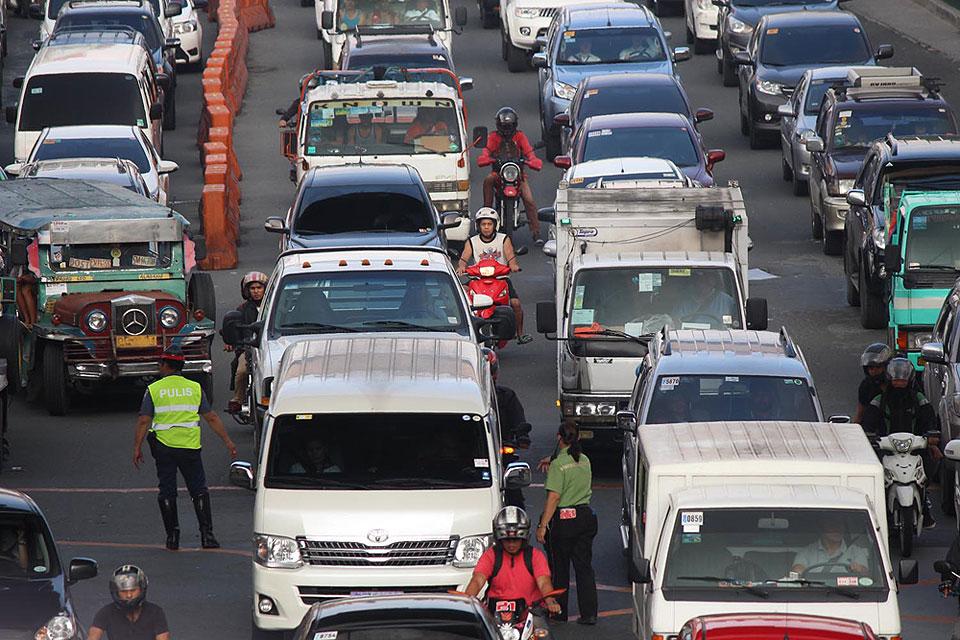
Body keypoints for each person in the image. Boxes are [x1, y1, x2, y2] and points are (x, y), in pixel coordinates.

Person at [132, 347, 238, 550]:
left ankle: (173, 537)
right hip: (190, 446)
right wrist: (227, 441)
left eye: (161, 363)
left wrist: (137, 447)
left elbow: (144, 420)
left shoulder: (154, 389)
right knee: (198, 490)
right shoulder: (195, 388)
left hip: (164, 447)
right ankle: (207, 536)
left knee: (167, 490)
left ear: (165, 365)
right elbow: (212, 418)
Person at [861, 357, 940, 528]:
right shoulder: (879, 400)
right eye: (896, 378)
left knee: (931, 463)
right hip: (886, 448)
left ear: (910, 379)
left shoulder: (919, 399)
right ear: (889, 378)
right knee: (873, 475)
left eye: (903, 378)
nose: (899, 382)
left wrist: (931, 436)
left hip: (914, 448)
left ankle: (924, 502)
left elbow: (930, 419)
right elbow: (868, 421)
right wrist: (869, 435)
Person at [537, 421, 598, 625]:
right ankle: (589, 614)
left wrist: (543, 526)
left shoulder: (558, 465)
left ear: (558, 438)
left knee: (559, 569)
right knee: (584, 568)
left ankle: (558, 611)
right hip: (584, 517)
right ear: (578, 438)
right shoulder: (585, 460)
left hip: (563, 522)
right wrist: (552, 458)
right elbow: (568, 458)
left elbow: (554, 497)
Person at [465, 507, 561, 616]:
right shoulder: (491, 555)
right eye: (507, 540)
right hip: (495, 613)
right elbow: (477, 580)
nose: (511, 544)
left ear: (524, 538)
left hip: (531, 613)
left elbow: (544, 582)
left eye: (516, 540)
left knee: (543, 633)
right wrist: (466, 602)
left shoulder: (535, 556)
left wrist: (550, 601)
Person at [457, 208, 531, 344]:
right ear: (478, 226)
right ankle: (461, 329)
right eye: (483, 224)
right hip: (477, 279)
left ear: (495, 225)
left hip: (500, 279)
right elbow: (464, 258)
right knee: (460, 294)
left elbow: (511, 258)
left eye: (489, 224)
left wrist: (514, 266)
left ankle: (520, 334)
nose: (486, 227)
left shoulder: (504, 239)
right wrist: (461, 267)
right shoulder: (472, 241)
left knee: (515, 303)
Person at [478, 107, 543, 245]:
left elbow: (530, 153)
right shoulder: (493, 137)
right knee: (488, 179)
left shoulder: (520, 136)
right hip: (498, 173)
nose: (506, 129)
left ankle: (536, 231)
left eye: (509, 126)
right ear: (498, 125)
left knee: (529, 200)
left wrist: (532, 160)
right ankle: (486, 214)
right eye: (504, 126)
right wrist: (487, 159)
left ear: (515, 125)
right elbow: (485, 153)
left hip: (518, 175)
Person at [486, 349, 531, 508]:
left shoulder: (506, 396)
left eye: (490, 371)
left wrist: (522, 435)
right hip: (474, 453)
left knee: (514, 492)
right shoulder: (465, 397)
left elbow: (518, 418)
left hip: (503, 448)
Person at [88, 565, 169, 640]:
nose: (129, 595)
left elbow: (163, 637)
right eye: (123, 591)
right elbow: (93, 636)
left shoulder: (155, 612)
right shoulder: (106, 612)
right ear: (116, 592)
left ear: (141, 589)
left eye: (133, 590)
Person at [226, 271, 268, 415]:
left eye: (259, 288)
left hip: (270, 347)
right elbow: (233, 326)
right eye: (252, 288)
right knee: (242, 371)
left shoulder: (274, 305)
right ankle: (238, 399)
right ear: (247, 291)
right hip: (249, 347)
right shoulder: (242, 309)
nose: (256, 291)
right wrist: (230, 339)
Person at [790, 519, 869, 576]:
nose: (837, 529)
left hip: (849, 596)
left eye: (840, 525)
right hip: (814, 595)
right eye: (832, 525)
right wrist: (798, 571)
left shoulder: (856, 552)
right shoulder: (806, 552)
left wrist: (860, 570)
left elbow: (866, 577)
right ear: (821, 529)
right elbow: (796, 572)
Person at [855, 343, 893, 424]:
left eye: (878, 367)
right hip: (874, 429)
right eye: (871, 368)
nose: (874, 371)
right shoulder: (866, 385)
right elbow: (860, 414)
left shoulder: (896, 383)